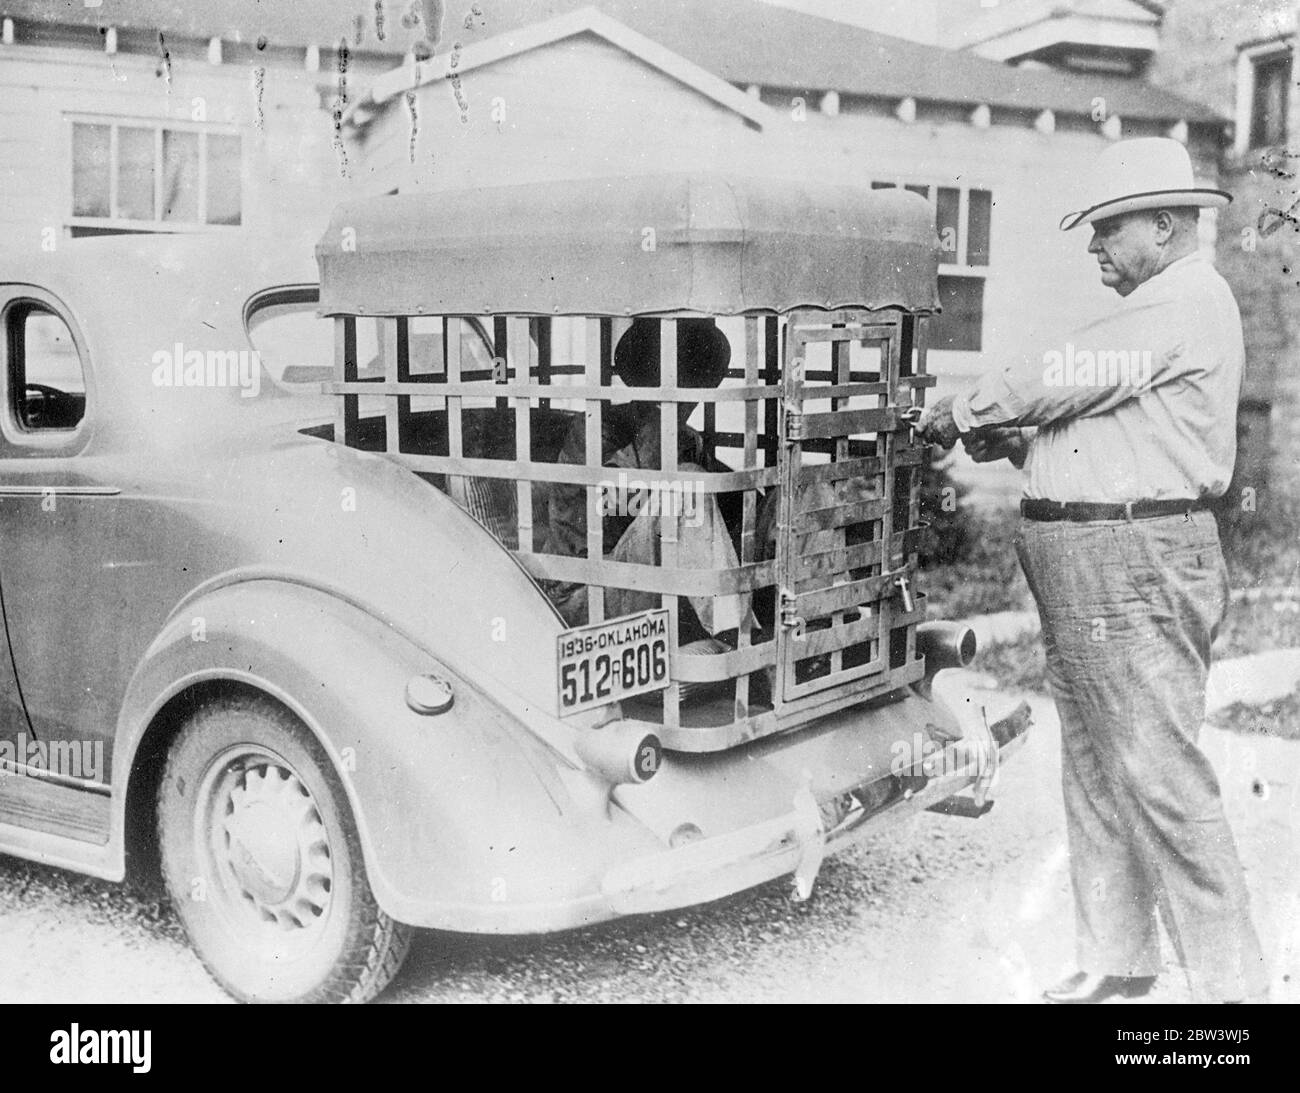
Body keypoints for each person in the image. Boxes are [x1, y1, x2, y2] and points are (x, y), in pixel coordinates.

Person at [918, 138, 1267, 1004]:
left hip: (1134, 559)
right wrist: (1017, 441)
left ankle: (1232, 998)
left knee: (1157, 771)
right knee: (1098, 766)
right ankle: (1120, 960)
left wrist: (962, 408)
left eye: (1110, 229)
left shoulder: (1183, 298)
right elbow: (1101, 420)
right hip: (1095, 557)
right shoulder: (1159, 309)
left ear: (1165, 224)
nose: (1096, 247)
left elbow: (1066, 375)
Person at [541, 318, 754, 639]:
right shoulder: (596, 429)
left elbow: (726, 507)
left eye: (694, 382)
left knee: (789, 492)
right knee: (688, 482)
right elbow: (612, 511)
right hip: (585, 586)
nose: (692, 396)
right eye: (684, 379)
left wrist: (764, 502)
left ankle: (822, 621)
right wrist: (662, 429)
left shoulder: (686, 439)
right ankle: (737, 636)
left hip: (649, 577)